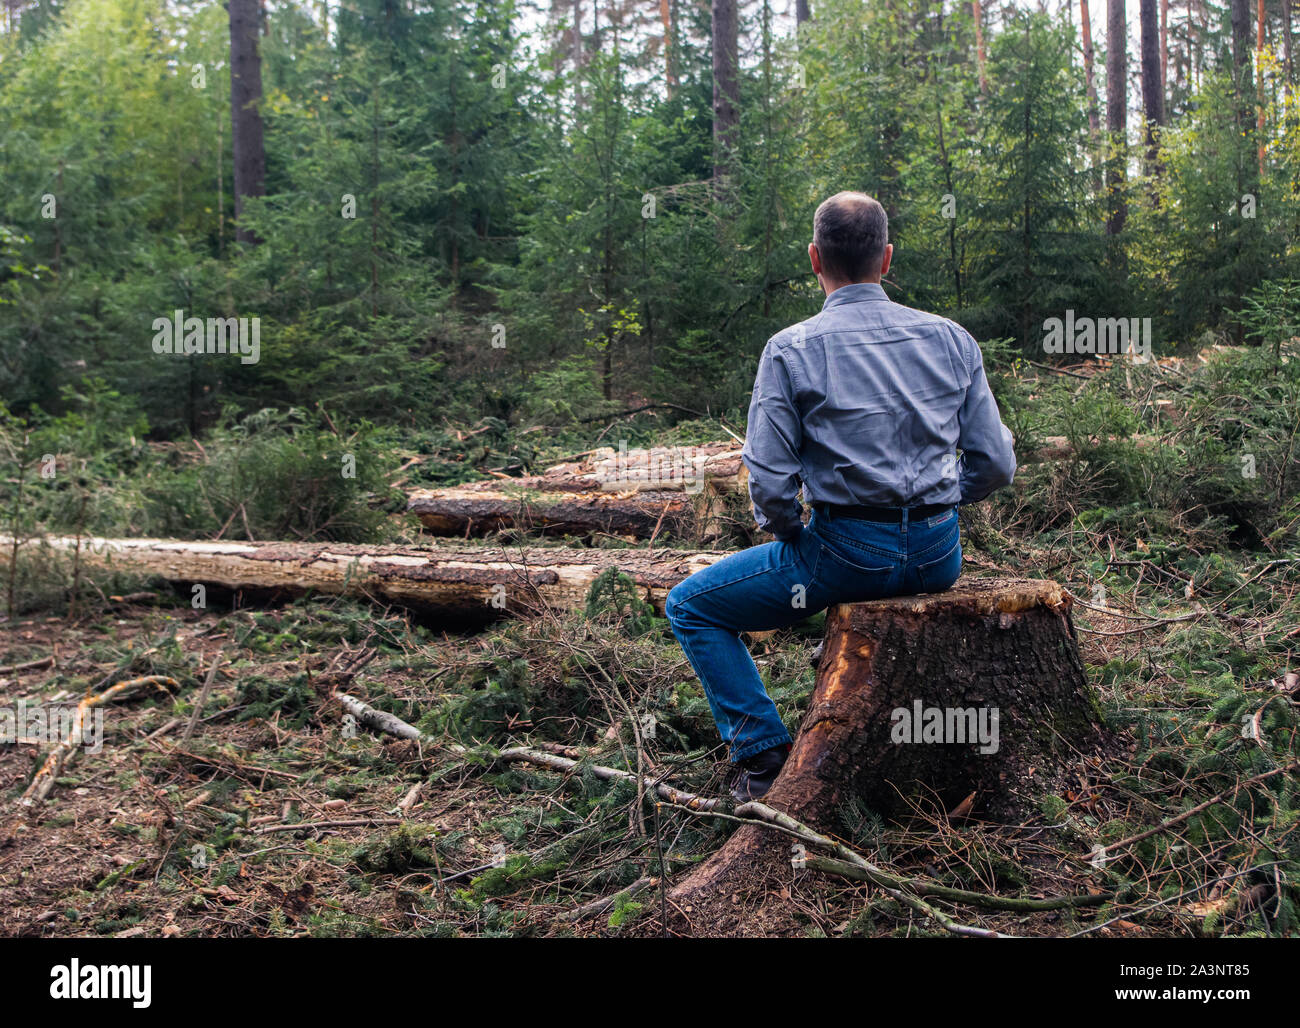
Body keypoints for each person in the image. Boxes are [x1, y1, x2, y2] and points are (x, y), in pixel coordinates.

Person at [664, 191, 1017, 802]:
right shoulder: (951, 339)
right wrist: (940, 500)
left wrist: (795, 534)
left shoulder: (791, 348)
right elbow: (995, 463)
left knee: (692, 606)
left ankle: (763, 757)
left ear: (813, 259)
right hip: (939, 556)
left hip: (844, 554)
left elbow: (771, 486)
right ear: (885, 259)